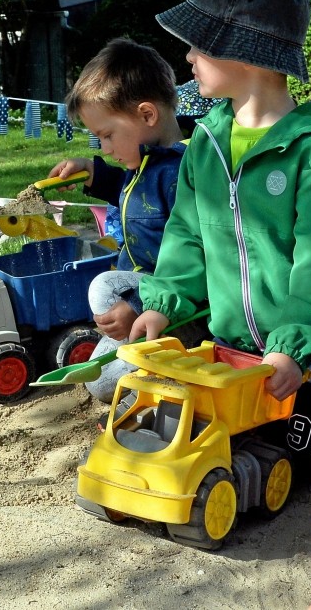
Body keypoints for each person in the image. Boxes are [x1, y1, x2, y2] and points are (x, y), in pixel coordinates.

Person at [127, 0, 311, 473]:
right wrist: (164, 302)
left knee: (305, 462)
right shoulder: (207, 142)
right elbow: (187, 232)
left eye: (199, 44)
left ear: (245, 53)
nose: (188, 56)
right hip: (230, 353)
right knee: (191, 447)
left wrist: (290, 349)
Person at [43, 38, 188, 402]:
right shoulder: (142, 163)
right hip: (137, 292)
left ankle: (163, 369)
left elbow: (190, 262)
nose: (105, 148)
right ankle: (134, 352)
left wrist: (140, 306)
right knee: (100, 382)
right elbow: (131, 196)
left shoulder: (178, 176)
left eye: (107, 136)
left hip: (174, 308)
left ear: (147, 115)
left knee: (100, 290)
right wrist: (93, 172)